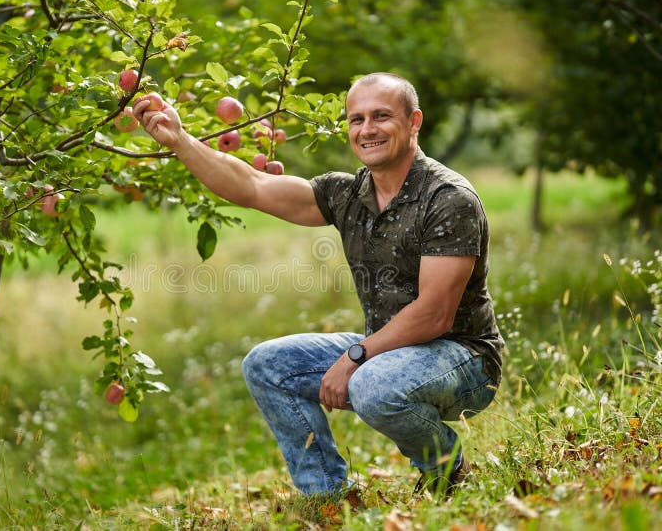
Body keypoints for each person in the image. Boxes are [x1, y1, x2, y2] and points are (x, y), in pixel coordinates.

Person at [133, 72, 504, 498]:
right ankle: (329, 497)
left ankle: (446, 468)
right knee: (267, 365)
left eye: (381, 116)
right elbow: (252, 186)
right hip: (388, 351)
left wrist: (355, 356)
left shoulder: (448, 198)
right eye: (356, 119)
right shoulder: (347, 194)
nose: (367, 129)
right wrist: (180, 140)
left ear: (414, 121)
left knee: (372, 384)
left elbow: (434, 315)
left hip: (463, 360)